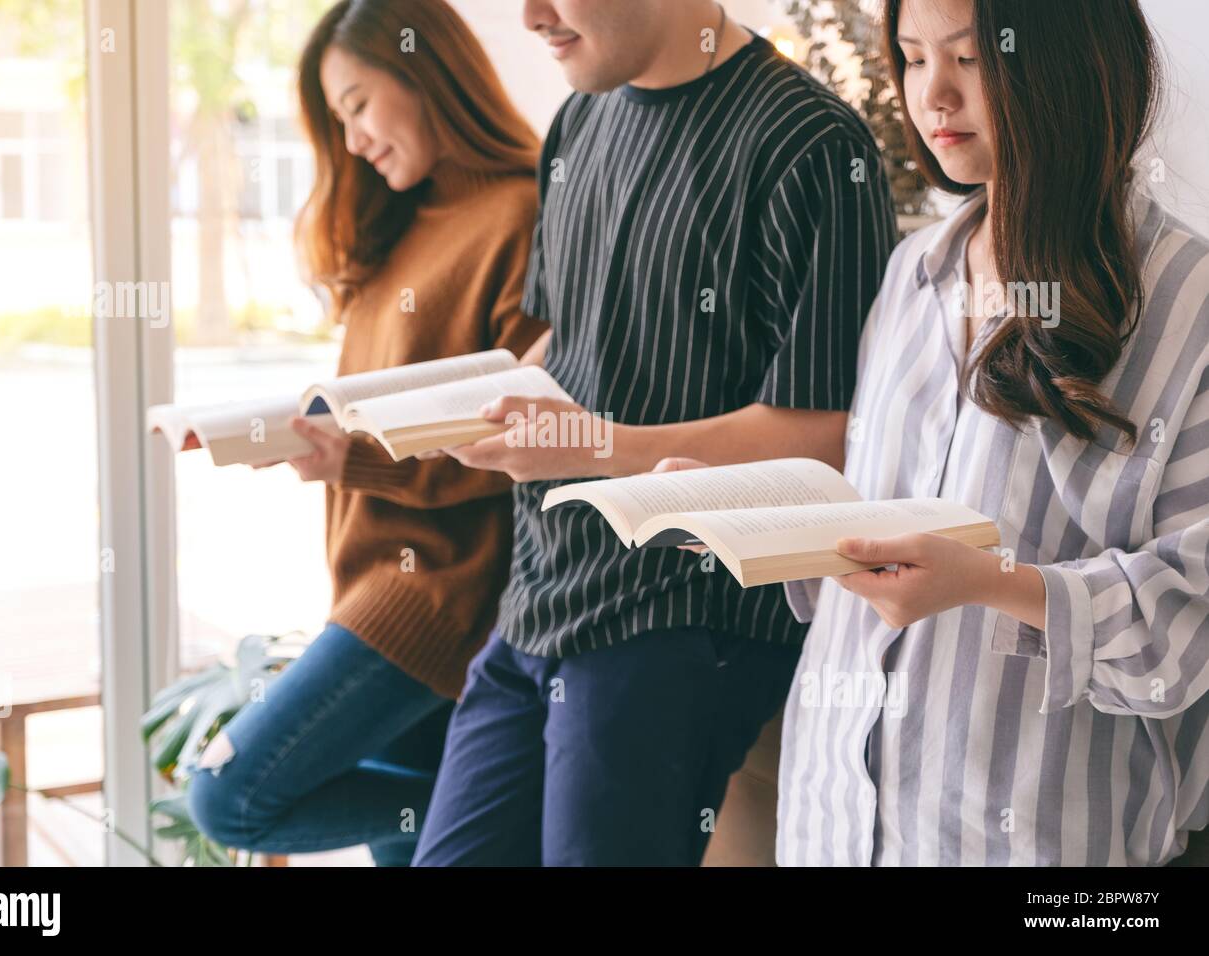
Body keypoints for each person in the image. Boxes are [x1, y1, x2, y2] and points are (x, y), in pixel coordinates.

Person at [412, 0, 897, 866]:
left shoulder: (812, 144)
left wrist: (594, 447)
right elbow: (568, 341)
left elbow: (823, 438)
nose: (530, 17)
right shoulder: (578, 119)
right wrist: (471, 403)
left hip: (677, 618)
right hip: (540, 593)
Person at [769, 0, 1209, 865]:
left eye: (970, 60)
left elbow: (1188, 624)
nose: (932, 94)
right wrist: (757, 520)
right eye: (912, 57)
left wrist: (991, 583)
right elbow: (870, 535)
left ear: (1068, 64)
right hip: (831, 825)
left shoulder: (1186, 300)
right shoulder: (913, 272)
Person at [186, 0, 548, 866]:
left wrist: (359, 460)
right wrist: (313, 437)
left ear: (426, 75)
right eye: (337, 120)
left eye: (357, 106)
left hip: (438, 598)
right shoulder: (401, 225)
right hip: (369, 581)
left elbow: (526, 431)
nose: (351, 142)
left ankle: (499, 813)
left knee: (228, 795)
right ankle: (480, 815)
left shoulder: (523, 214)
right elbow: (390, 404)